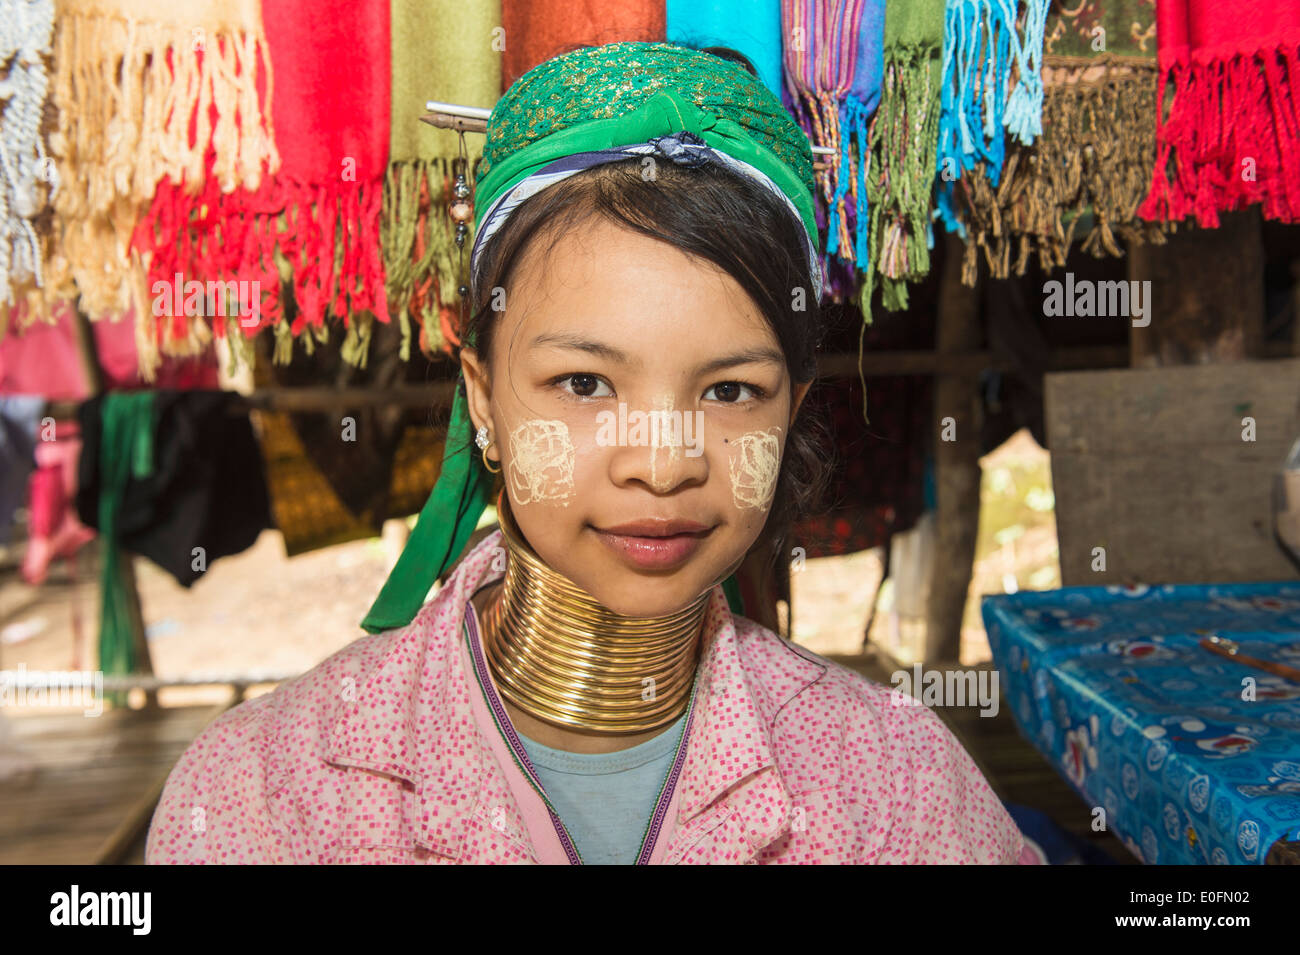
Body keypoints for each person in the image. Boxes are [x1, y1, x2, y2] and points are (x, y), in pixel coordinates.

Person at [146, 40, 1031, 865]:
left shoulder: (895, 787)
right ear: (482, 397)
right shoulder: (264, 797)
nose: (662, 463)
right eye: (584, 384)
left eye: (730, 392)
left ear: (792, 412)